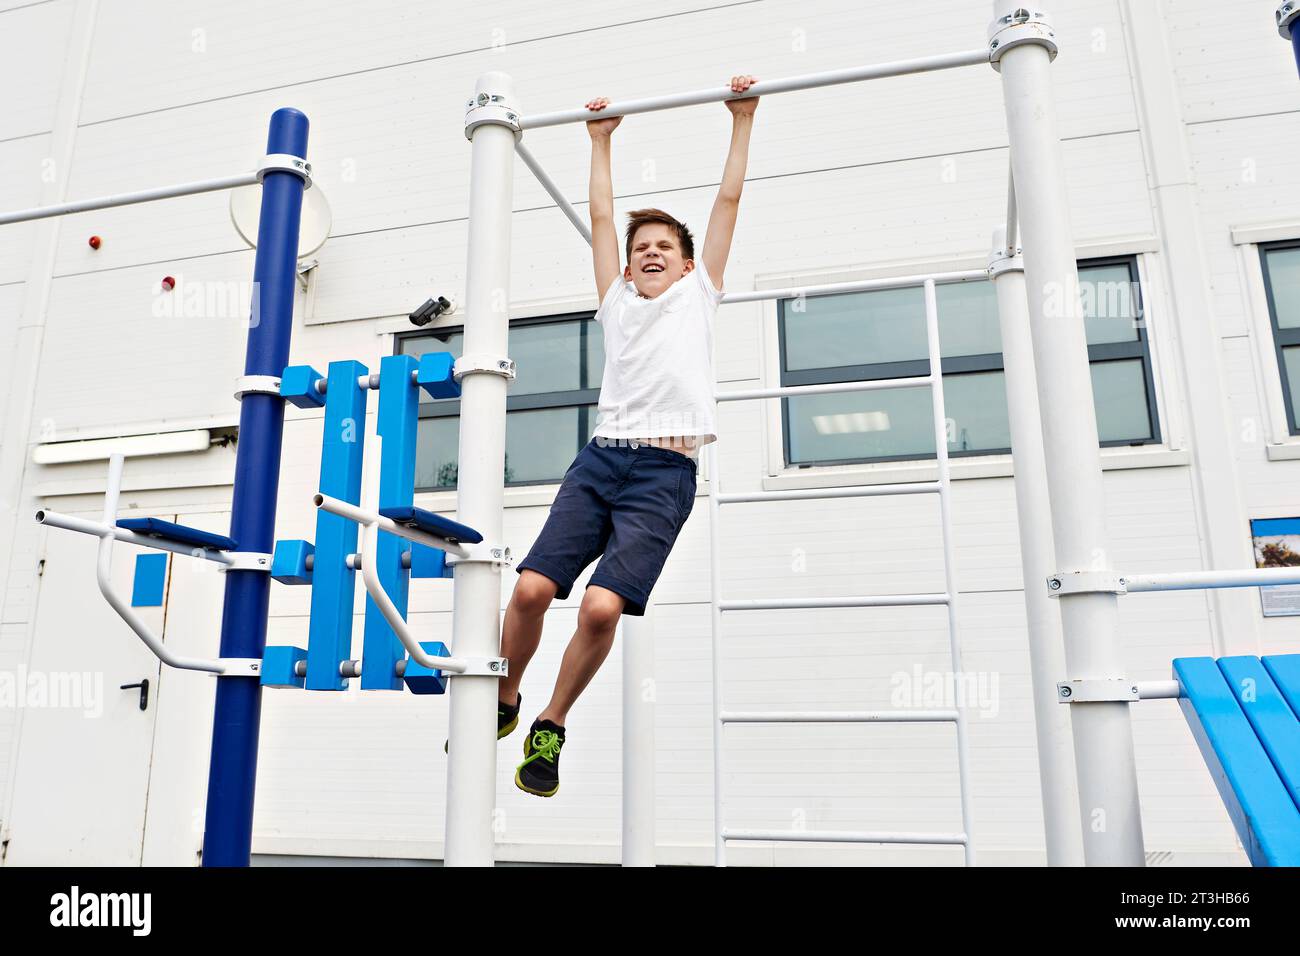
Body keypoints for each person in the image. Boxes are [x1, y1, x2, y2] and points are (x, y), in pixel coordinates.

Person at [500, 75, 759, 797]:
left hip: (663, 473)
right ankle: (507, 694)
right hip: (600, 461)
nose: (649, 253)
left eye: (663, 248)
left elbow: (728, 203)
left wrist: (740, 121)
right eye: (640, 247)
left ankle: (550, 721)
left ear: (685, 263)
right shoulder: (615, 300)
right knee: (528, 591)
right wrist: (599, 140)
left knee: (601, 605)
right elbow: (600, 212)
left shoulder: (697, 297)